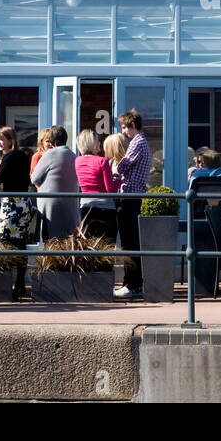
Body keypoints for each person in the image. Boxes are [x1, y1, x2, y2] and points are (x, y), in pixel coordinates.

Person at [113, 109, 150, 300]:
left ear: (132, 126)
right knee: (131, 241)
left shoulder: (137, 142)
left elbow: (122, 166)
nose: (123, 132)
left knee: (129, 242)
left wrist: (113, 165)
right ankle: (132, 282)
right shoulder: (141, 142)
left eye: (124, 127)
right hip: (134, 196)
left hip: (130, 197)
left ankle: (132, 284)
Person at [0, 126, 35, 299]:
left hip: (11, 203)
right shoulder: (24, 156)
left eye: (2, 139)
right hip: (24, 202)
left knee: (4, 241)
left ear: (11, 140)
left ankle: (4, 285)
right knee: (20, 243)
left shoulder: (9, 157)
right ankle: (19, 283)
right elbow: (27, 179)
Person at [31, 125, 81, 242]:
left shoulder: (50, 154)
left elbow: (34, 178)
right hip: (70, 205)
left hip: (50, 206)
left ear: (52, 140)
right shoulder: (73, 155)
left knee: (51, 241)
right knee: (67, 241)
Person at [75, 130, 120, 244]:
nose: (100, 143)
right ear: (92, 143)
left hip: (85, 207)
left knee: (89, 245)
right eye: (97, 140)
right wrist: (119, 179)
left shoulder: (77, 161)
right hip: (105, 208)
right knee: (107, 246)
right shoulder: (102, 161)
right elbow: (110, 189)